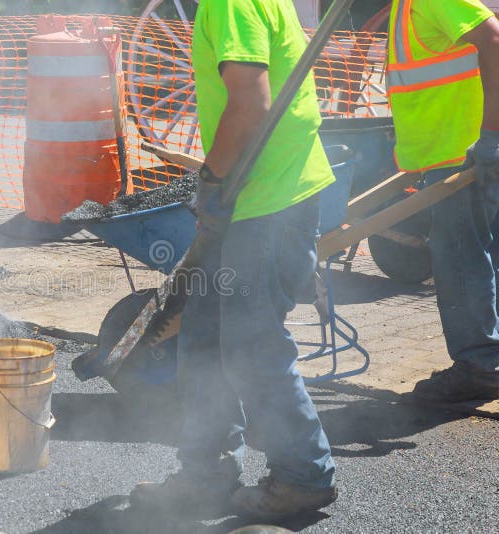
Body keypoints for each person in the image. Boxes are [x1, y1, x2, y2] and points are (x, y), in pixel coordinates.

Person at [131, 0, 337, 521]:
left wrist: (214, 182)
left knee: (251, 344)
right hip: (262, 193)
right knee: (203, 336)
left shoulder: (230, 3)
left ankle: (303, 475)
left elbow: (251, 100)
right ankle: (207, 471)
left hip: (264, 199)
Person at [387, 0, 499, 402]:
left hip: (462, 159)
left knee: (461, 260)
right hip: (463, 155)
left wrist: (491, 137)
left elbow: (494, 40)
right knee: (484, 258)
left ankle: (480, 366)